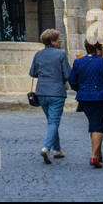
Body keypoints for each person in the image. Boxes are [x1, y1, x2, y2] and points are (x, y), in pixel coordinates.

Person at [29, 28, 70, 164]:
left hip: (41, 92)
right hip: (56, 92)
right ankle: (46, 148)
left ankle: (57, 150)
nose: (60, 41)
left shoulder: (38, 54)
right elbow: (67, 75)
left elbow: (33, 73)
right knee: (54, 121)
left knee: (51, 121)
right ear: (53, 41)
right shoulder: (61, 55)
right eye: (58, 39)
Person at [69, 40, 103, 168]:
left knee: (94, 123)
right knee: (98, 126)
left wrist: (81, 89)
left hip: (84, 97)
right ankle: (94, 156)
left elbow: (72, 81)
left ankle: (98, 153)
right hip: (101, 97)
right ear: (98, 49)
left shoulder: (78, 62)